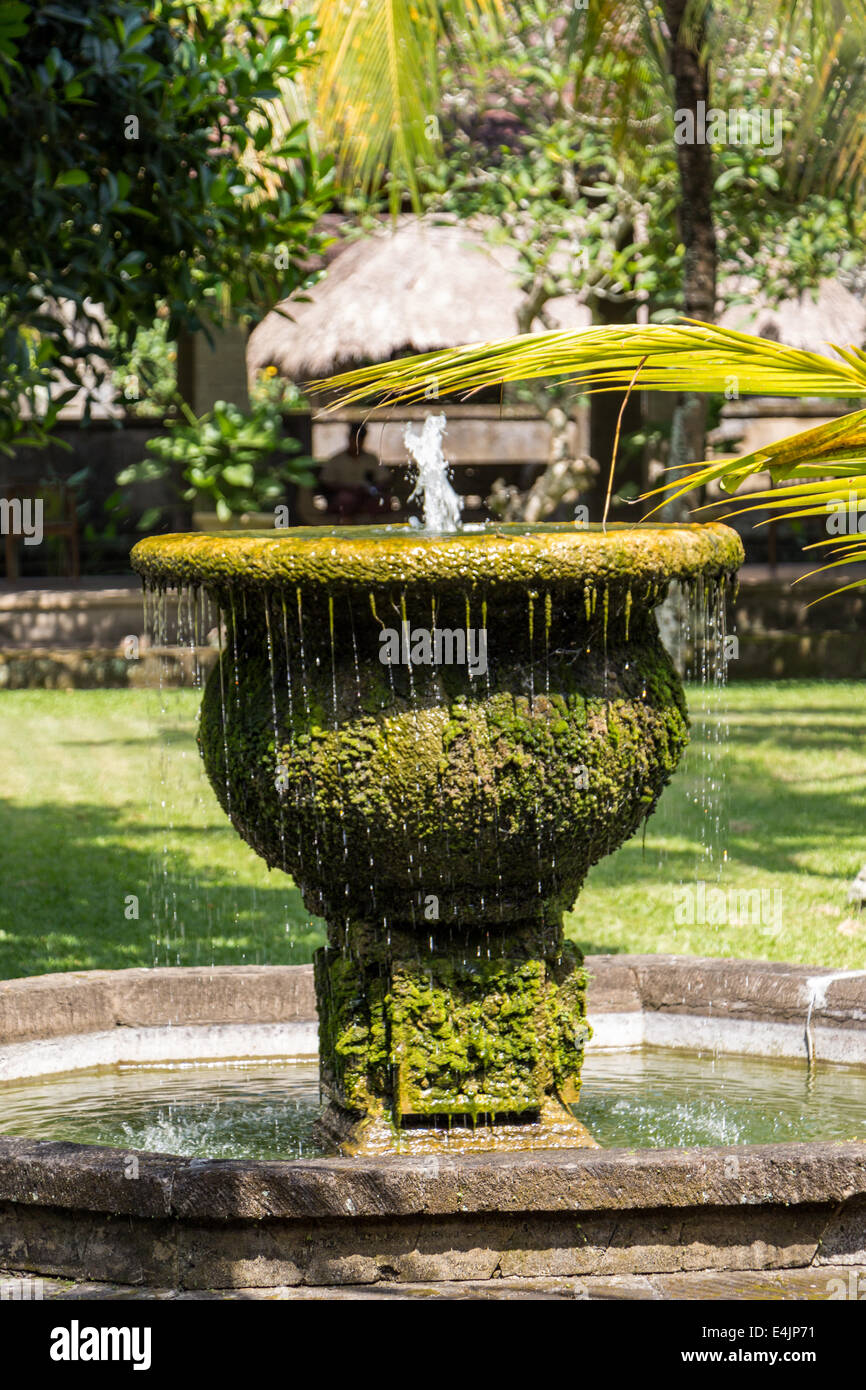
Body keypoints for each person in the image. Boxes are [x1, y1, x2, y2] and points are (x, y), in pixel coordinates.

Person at [318, 423, 392, 520]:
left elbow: (383, 479)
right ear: (349, 438)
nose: (357, 442)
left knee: (382, 502)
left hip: (366, 497)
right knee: (346, 500)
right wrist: (348, 489)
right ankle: (345, 524)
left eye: (360, 439)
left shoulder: (371, 459)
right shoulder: (336, 460)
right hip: (344, 498)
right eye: (354, 438)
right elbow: (326, 482)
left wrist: (371, 489)